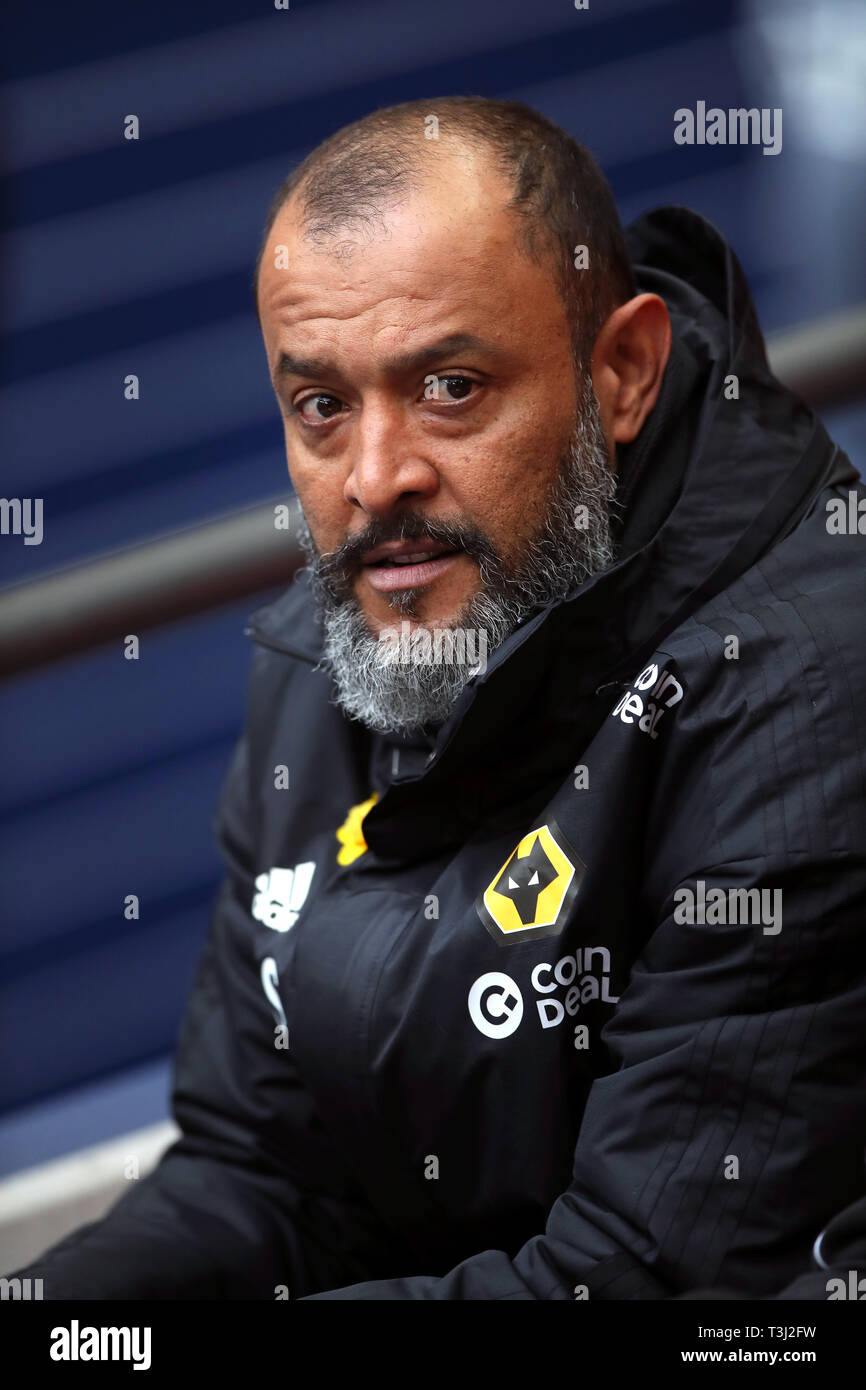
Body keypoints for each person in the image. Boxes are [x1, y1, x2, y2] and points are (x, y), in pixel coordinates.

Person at [14, 96, 866, 1300]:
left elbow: (644, 1285)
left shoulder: (805, 702)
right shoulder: (352, 636)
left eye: (450, 387)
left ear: (619, 372)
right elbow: (258, 1169)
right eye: (320, 406)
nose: (375, 479)